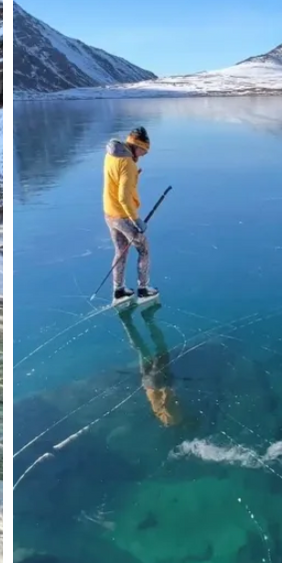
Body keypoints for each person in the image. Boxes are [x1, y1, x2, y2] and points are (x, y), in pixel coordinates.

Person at [103, 126, 158, 306]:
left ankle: (118, 290)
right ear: (136, 146)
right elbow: (124, 197)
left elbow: (117, 179)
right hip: (123, 216)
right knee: (144, 249)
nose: (143, 155)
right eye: (143, 151)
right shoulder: (128, 164)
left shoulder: (112, 155)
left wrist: (133, 176)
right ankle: (143, 289)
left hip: (110, 213)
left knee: (121, 251)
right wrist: (136, 220)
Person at [117, 303, 182, 427]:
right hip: (148, 384)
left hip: (159, 382)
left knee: (161, 349)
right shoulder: (164, 419)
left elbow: (167, 403)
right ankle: (126, 320)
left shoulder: (175, 420)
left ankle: (147, 317)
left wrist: (172, 389)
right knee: (142, 349)